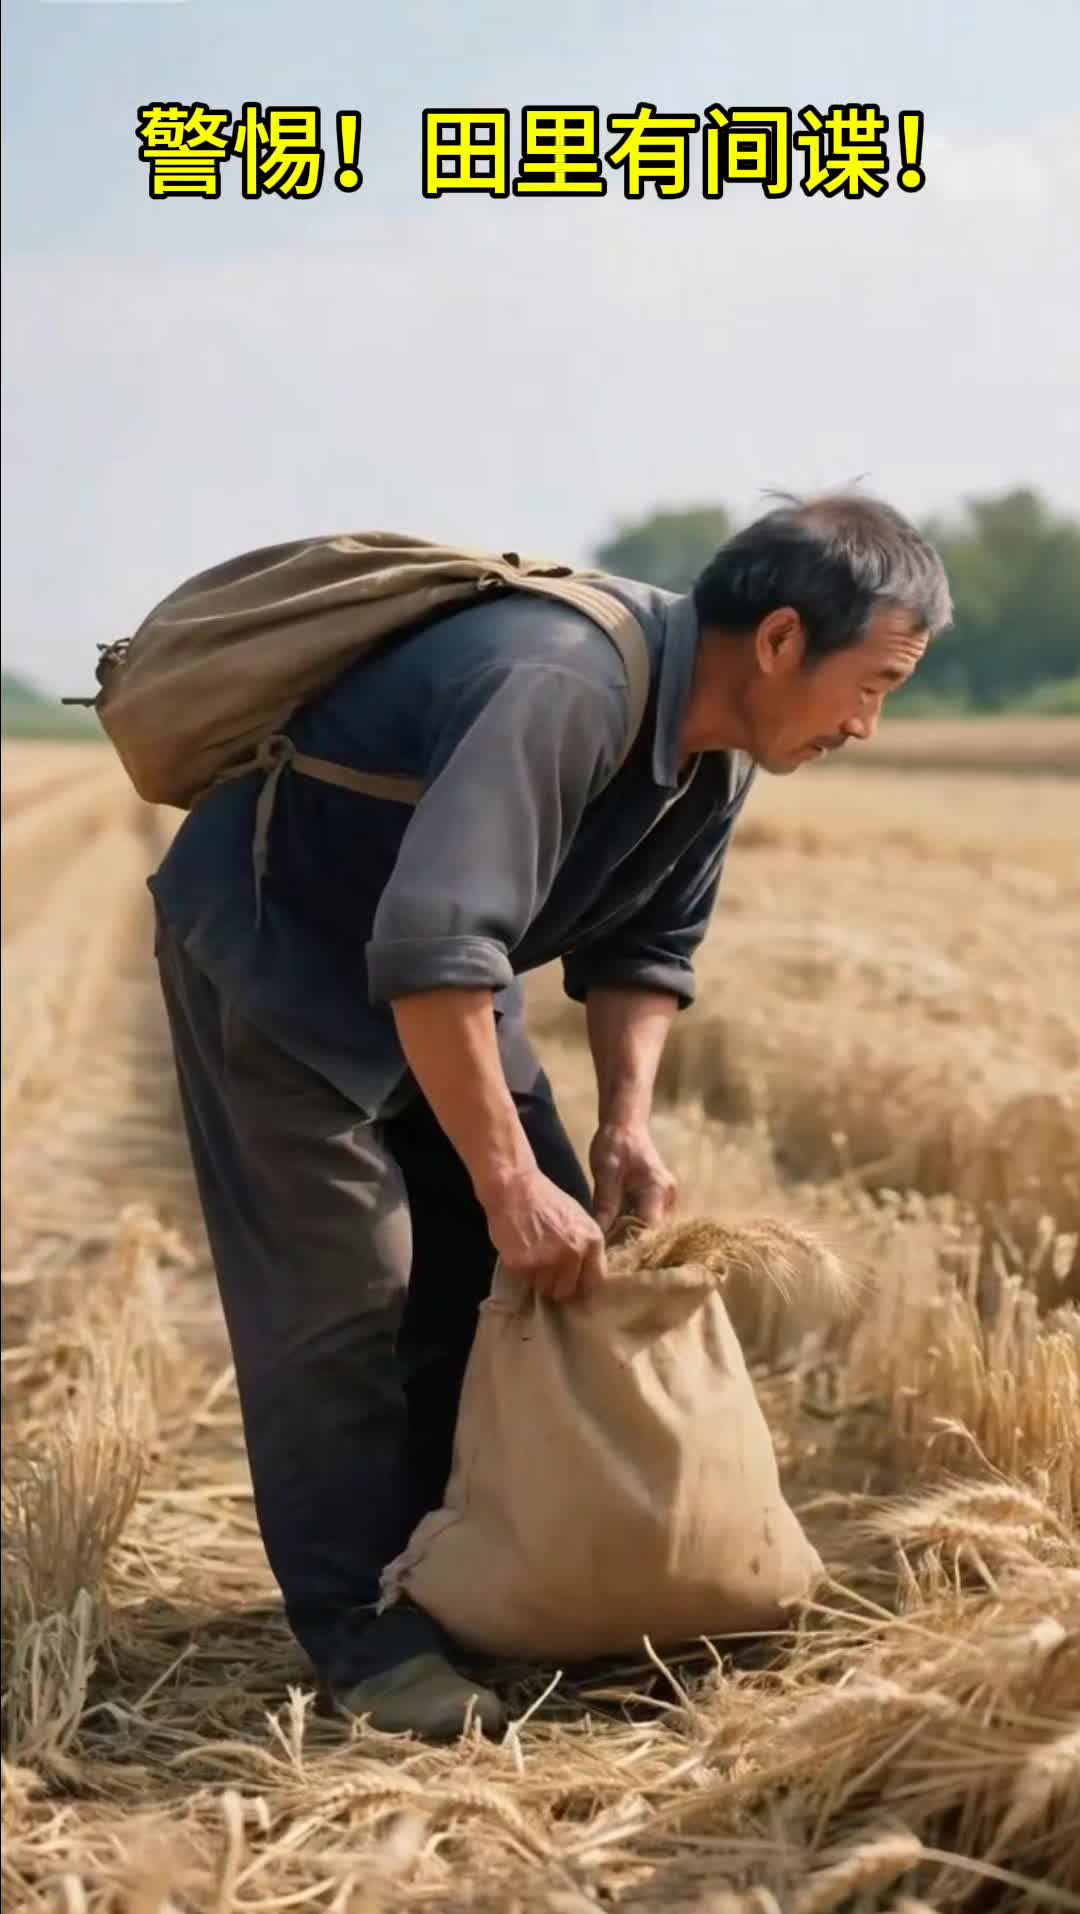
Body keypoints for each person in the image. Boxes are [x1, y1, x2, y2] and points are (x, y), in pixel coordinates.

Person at [149, 492, 951, 1739]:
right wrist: (507, 1170)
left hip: (445, 977)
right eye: (876, 681)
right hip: (284, 952)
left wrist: (623, 1123)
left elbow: (645, 946)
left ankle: (466, 1565)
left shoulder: (713, 754)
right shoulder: (563, 682)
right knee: (345, 1299)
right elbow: (433, 954)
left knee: (504, 1271)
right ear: (784, 639)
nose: (870, 721)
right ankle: (369, 1641)